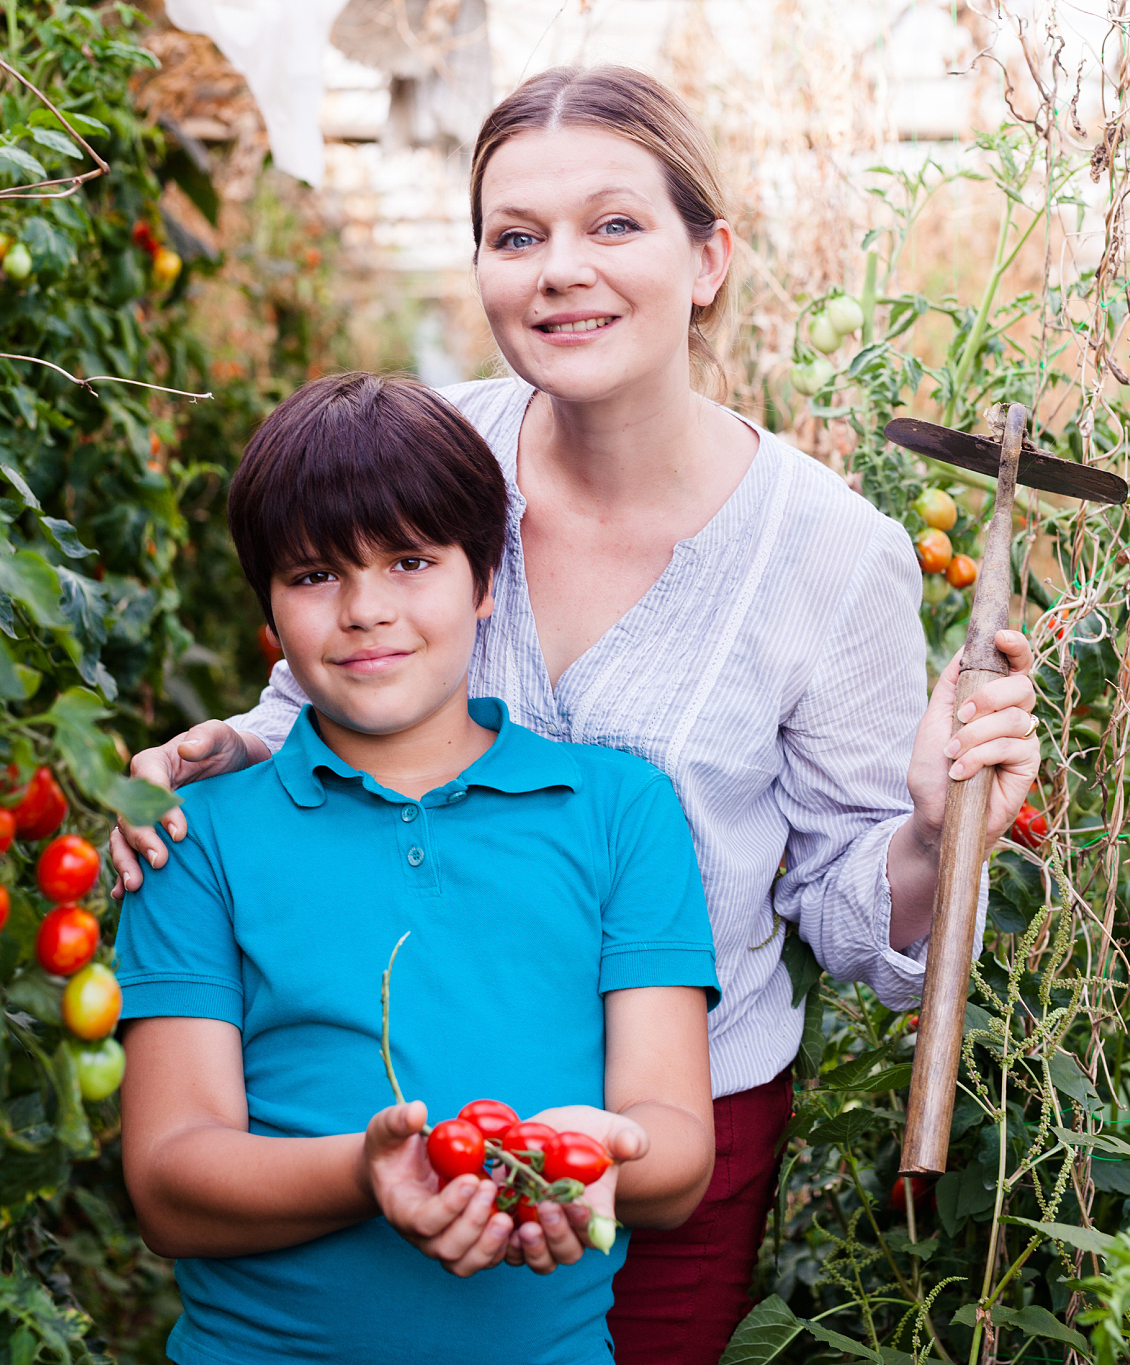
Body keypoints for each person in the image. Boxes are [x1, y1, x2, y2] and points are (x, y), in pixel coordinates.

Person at [112, 66, 1041, 1363]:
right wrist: (224, 753)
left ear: (709, 259)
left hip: (675, 1137)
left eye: (613, 226)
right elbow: (331, 696)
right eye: (515, 236)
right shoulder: (439, 459)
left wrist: (937, 834)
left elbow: (848, 903)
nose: (559, 271)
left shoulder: (830, 554)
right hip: (411, 1105)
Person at [116, 373, 719, 1365]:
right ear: (267, 611)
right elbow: (172, 1185)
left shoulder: (618, 812)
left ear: (486, 584)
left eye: (409, 561)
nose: (363, 609)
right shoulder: (197, 835)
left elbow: (676, 1150)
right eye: (313, 575)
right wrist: (368, 1174)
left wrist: (580, 1153)